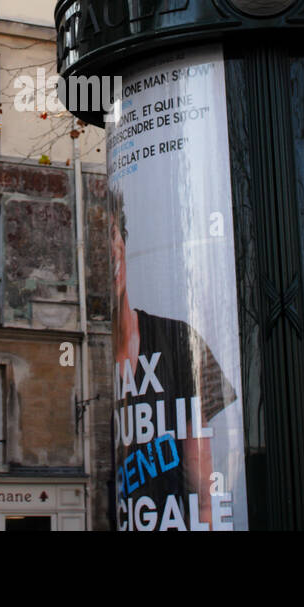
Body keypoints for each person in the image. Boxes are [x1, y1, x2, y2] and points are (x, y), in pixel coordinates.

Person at [110, 194, 236, 529]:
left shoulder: (180, 340)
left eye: (113, 235)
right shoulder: (99, 358)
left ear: (123, 242)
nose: (110, 251)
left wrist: (207, 516)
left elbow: (205, 478)